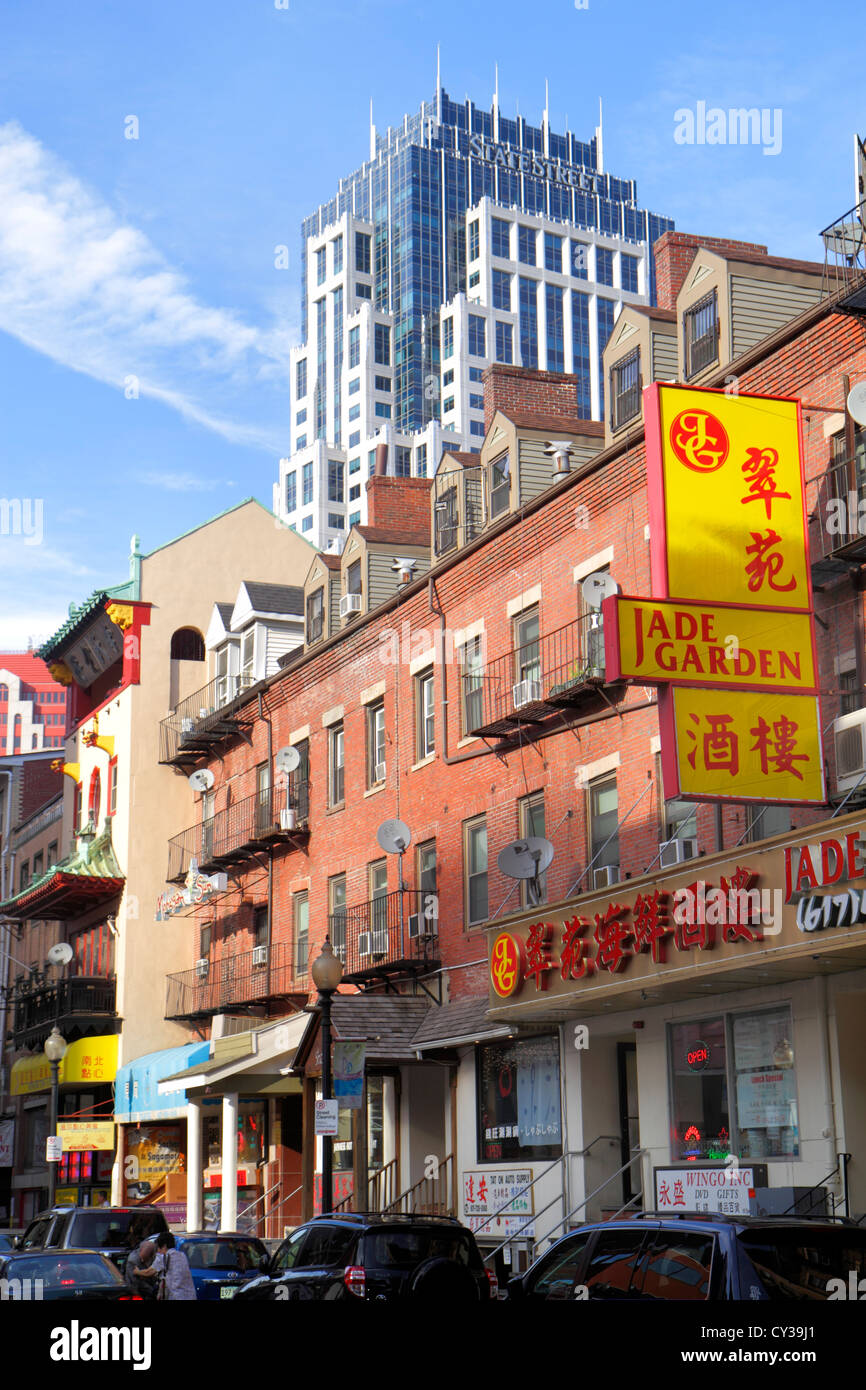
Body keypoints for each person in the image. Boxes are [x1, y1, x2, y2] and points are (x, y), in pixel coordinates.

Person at [154, 1231, 197, 1301]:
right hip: (190, 1295)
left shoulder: (163, 1257)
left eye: (158, 1248)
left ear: (164, 1246)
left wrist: (137, 1271)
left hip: (176, 1296)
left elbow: (149, 1272)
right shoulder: (182, 1255)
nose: (158, 1251)